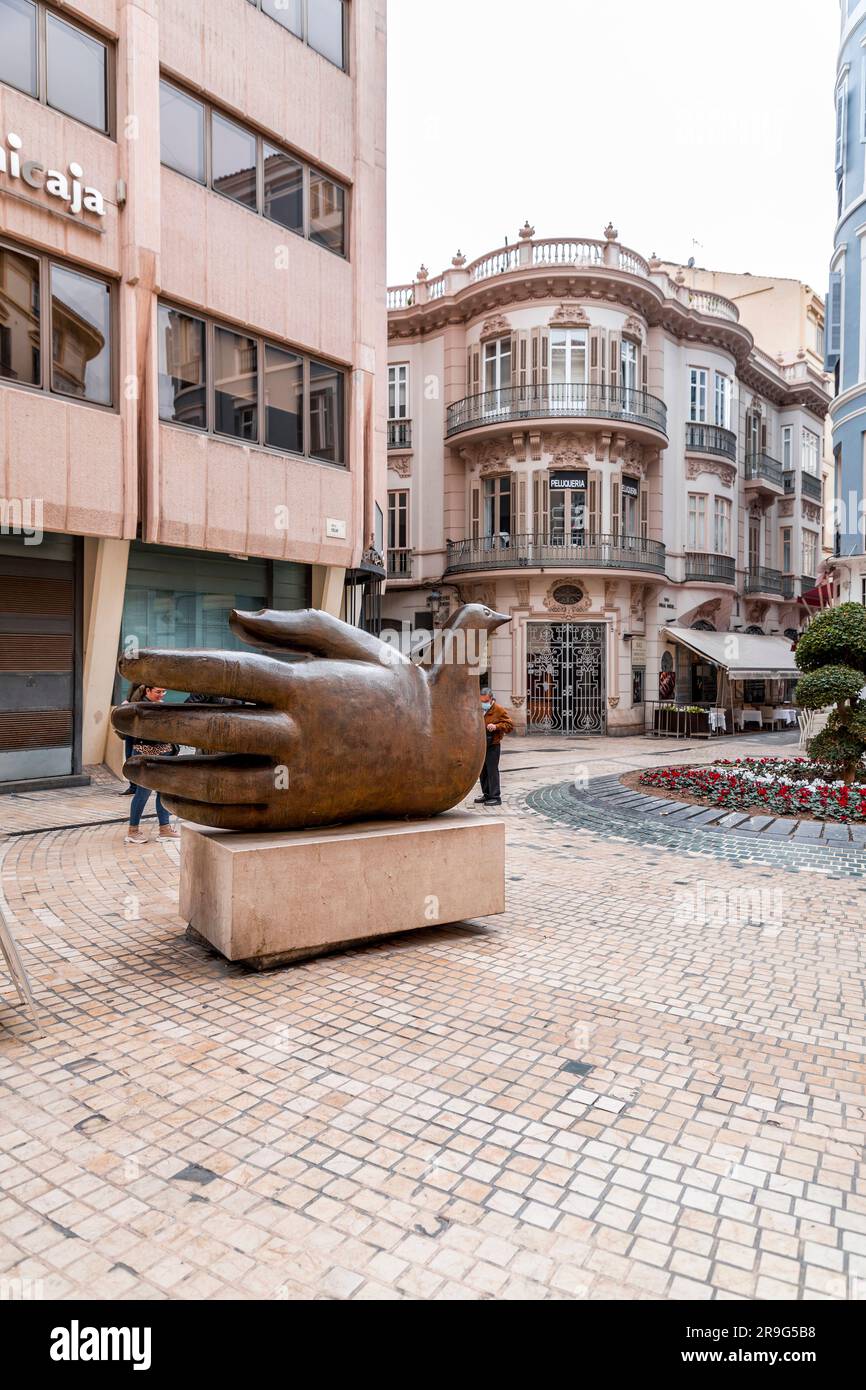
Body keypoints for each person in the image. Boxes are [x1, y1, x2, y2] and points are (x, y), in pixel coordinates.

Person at [125, 686, 180, 845]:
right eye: (157, 691)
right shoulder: (140, 708)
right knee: (143, 792)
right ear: (147, 691)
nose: (161, 695)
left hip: (164, 754)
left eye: (163, 691)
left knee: (163, 791)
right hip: (146, 756)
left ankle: (165, 829)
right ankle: (132, 831)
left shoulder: (161, 706)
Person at [474, 687, 514, 807]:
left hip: (493, 744)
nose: (483, 704)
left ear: (491, 699)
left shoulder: (498, 709)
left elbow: (509, 725)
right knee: (483, 771)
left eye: (485, 701)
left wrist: (496, 726)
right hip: (481, 744)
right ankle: (486, 794)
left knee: (492, 770)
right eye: (481, 701)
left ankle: (495, 797)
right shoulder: (478, 708)